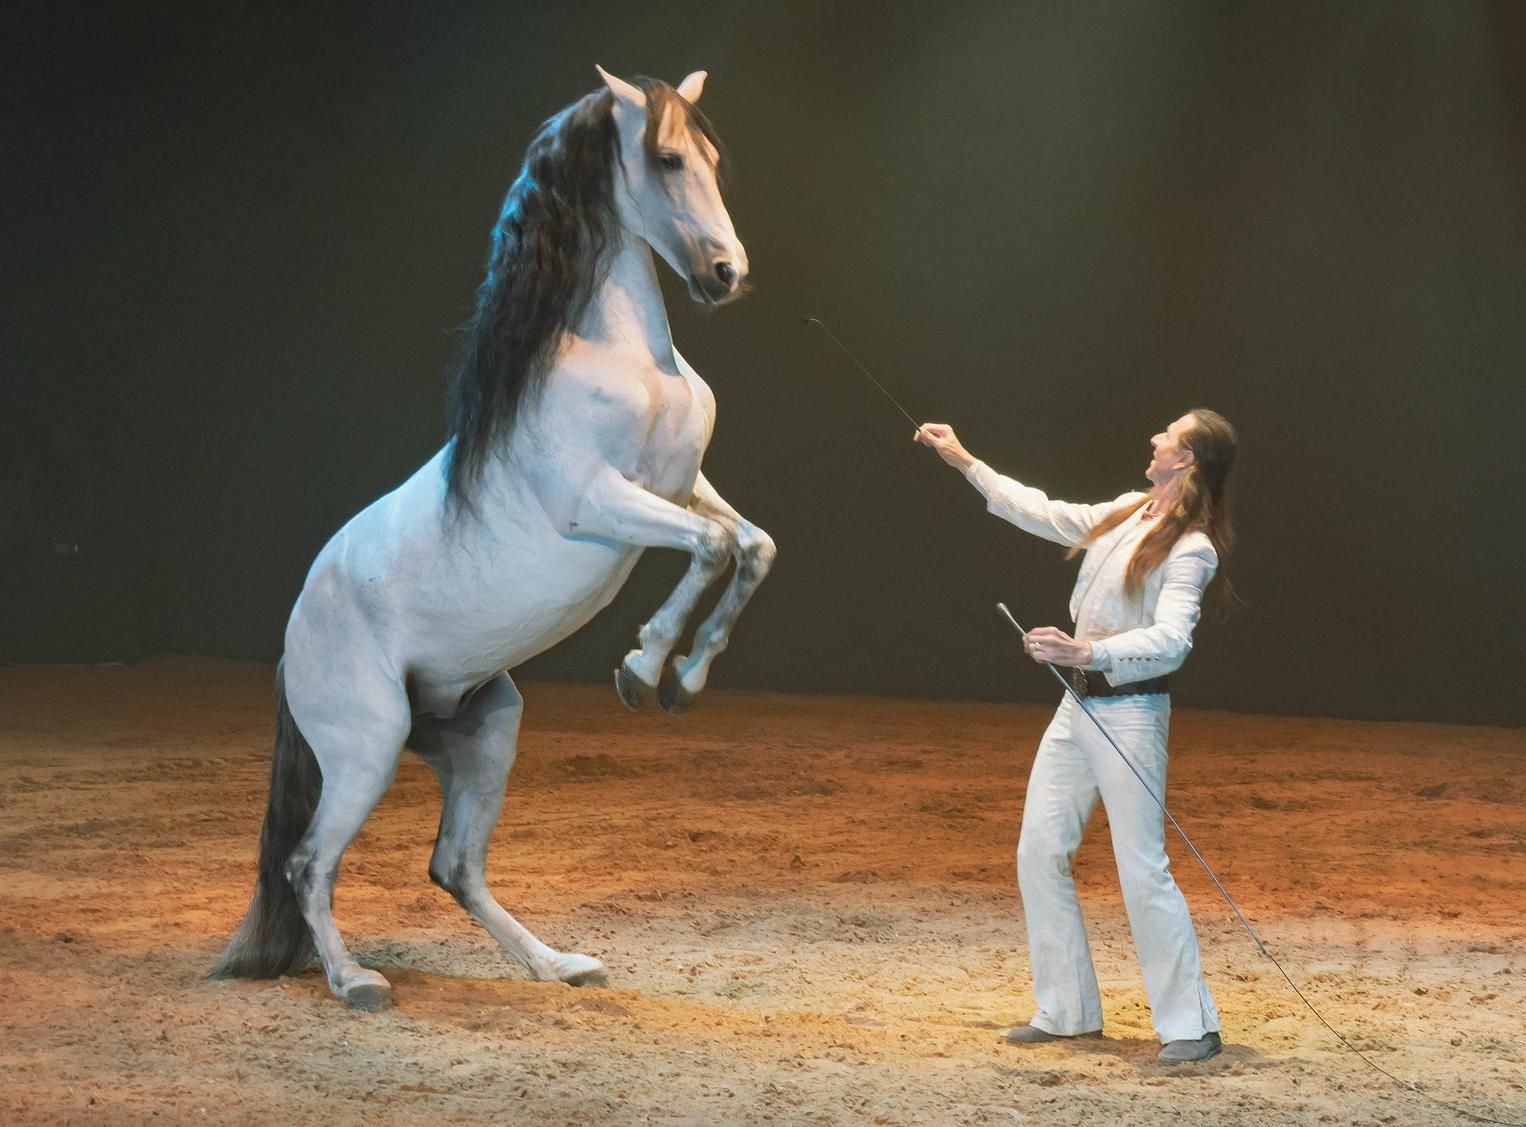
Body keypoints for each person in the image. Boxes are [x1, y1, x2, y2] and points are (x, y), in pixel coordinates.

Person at [915, 410, 1237, 1064]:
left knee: (1142, 867)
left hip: (1131, 713)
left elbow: (1172, 642)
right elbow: (1043, 511)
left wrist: (1084, 648)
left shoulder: (1192, 547)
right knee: (1039, 847)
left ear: (1189, 460)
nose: (1153, 439)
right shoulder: (1126, 510)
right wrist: (964, 460)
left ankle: (1190, 1025)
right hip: (1077, 708)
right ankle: (1066, 1009)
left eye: (1168, 436)